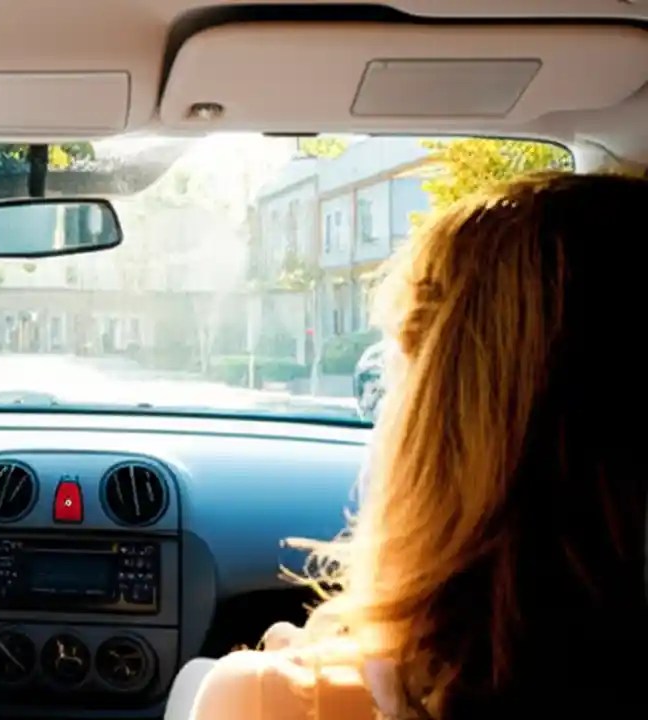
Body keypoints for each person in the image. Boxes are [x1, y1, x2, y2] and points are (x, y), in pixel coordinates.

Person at [176, 173, 648, 719]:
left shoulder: (281, 698)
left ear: (438, 424)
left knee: (198, 680)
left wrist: (289, 677)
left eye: (399, 371)